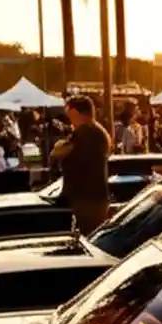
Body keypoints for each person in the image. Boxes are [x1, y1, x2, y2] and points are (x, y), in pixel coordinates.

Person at [52, 95, 111, 234]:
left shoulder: (86, 132)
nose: (69, 119)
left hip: (88, 200)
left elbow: (58, 152)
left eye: (70, 114)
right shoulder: (94, 132)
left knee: (88, 238)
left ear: (76, 113)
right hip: (89, 198)